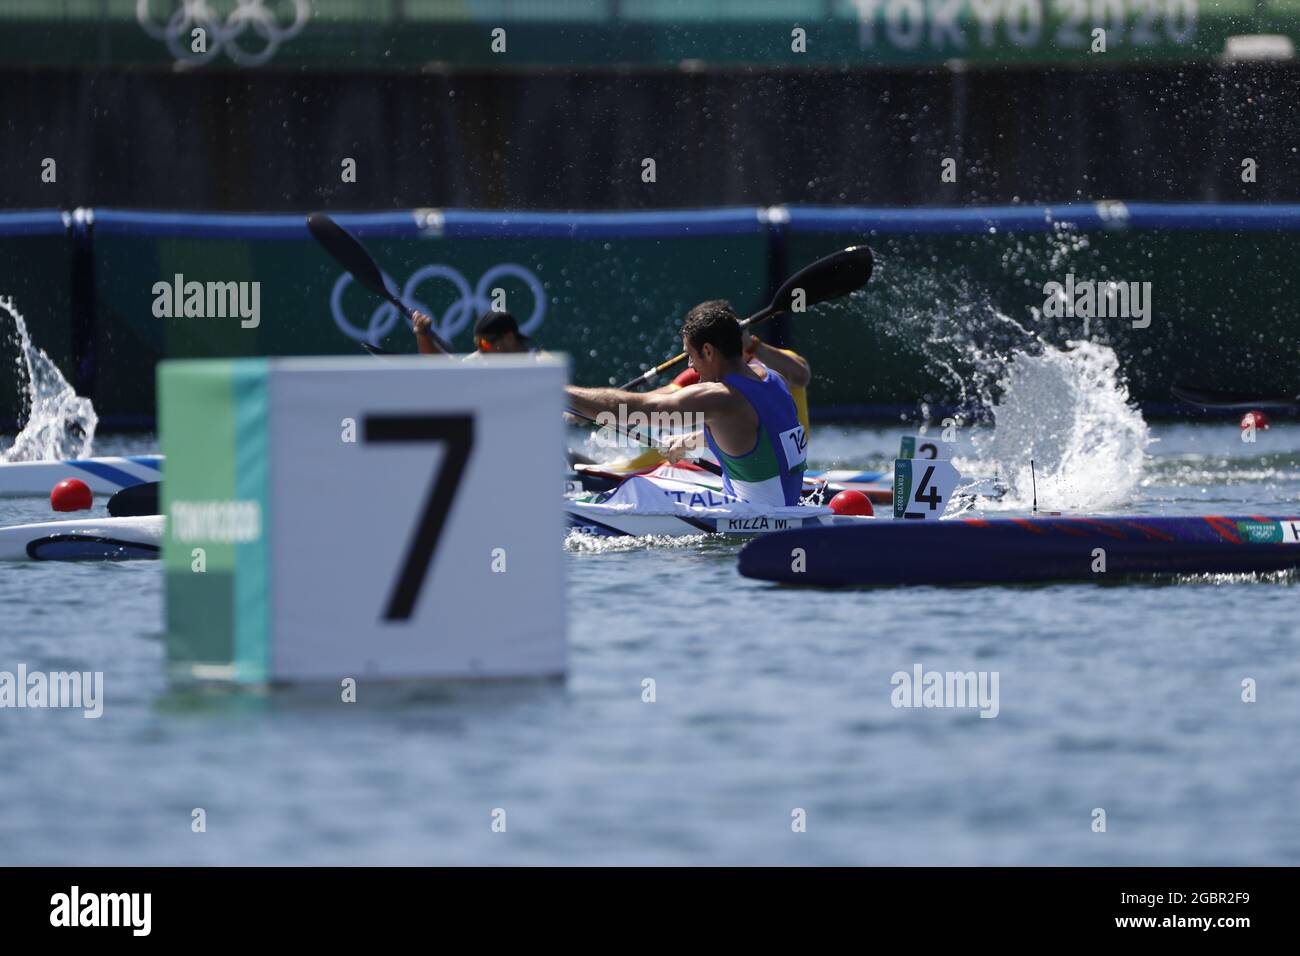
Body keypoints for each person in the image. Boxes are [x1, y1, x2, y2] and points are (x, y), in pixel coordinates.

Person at [566, 300, 808, 507]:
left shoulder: (721, 398)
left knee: (636, 489)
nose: (690, 366)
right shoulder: (771, 377)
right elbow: (757, 432)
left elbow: (636, 409)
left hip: (757, 514)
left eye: (690, 356)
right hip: (785, 506)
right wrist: (691, 440)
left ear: (708, 351)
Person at [411, 309, 530, 357]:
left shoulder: (543, 363)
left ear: (509, 338)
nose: (480, 351)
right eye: (477, 343)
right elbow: (437, 365)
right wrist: (422, 335)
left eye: (484, 343)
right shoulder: (480, 361)